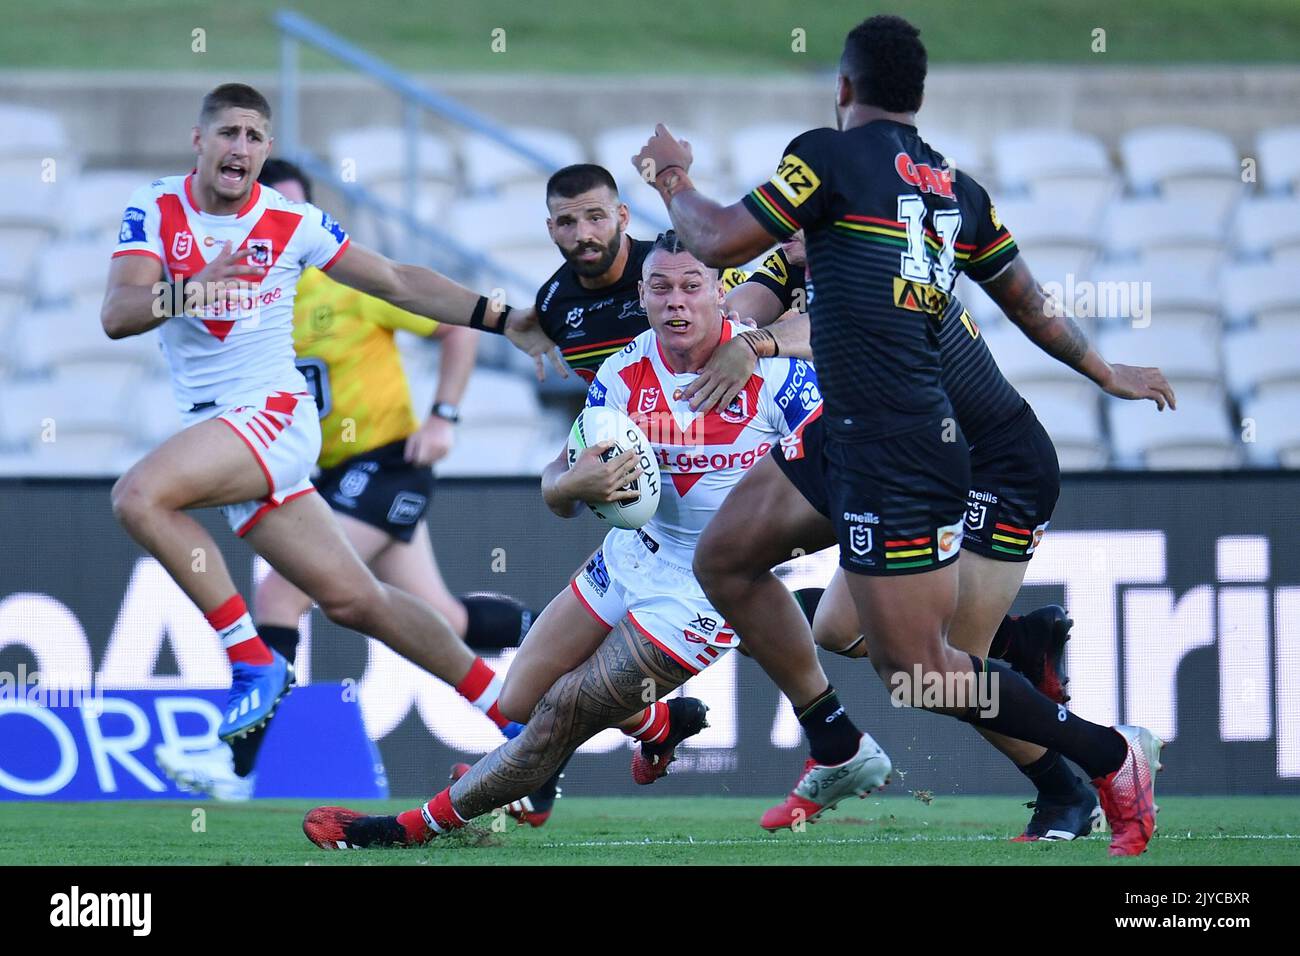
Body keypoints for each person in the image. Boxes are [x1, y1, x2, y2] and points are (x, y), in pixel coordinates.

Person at [633, 16, 1169, 855]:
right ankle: (837, 744)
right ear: (916, 98)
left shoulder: (828, 158)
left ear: (842, 90)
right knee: (726, 558)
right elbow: (1025, 301)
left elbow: (716, 237)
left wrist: (672, 176)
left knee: (922, 674)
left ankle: (1108, 757)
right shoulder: (955, 190)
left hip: (906, 446)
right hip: (850, 431)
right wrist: (1106, 372)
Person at [301, 233, 892, 849]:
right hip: (634, 553)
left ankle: (406, 829)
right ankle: (660, 723)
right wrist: (572, 485)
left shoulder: (773, 374)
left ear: (720, 292)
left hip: (710, 586)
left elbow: (836, 466)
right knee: (521, 699)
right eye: (661, 288)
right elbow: (557, 484)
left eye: (693, 286)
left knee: (560, 719)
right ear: (642, 295)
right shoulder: (624, 370)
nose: (677, 302)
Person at [103, 84, 561, 764]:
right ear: (199, 141)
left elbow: (398, 282)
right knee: (358, 601)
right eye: (229, 133)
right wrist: (195, 287)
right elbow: (118, 314)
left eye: (255, 137)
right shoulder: (156, 205)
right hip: (226, 435)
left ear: (265, 152)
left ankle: (252, 660)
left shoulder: (290, 221)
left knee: (139, 497)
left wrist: (500, 317)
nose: (242, 148)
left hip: (272, 420)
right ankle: (512, 718)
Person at [704, 235, 1173, 841]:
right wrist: (696, 291)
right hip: (892, 453)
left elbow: (838, 326)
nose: (784, 229)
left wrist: (755, 344)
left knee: (939, 674)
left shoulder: (887, 264)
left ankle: (1082, 773)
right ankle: (1020, 648)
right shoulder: (794, 257)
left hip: (991, 466)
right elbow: (738, 304)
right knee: (839, 632)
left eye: (803, 214)